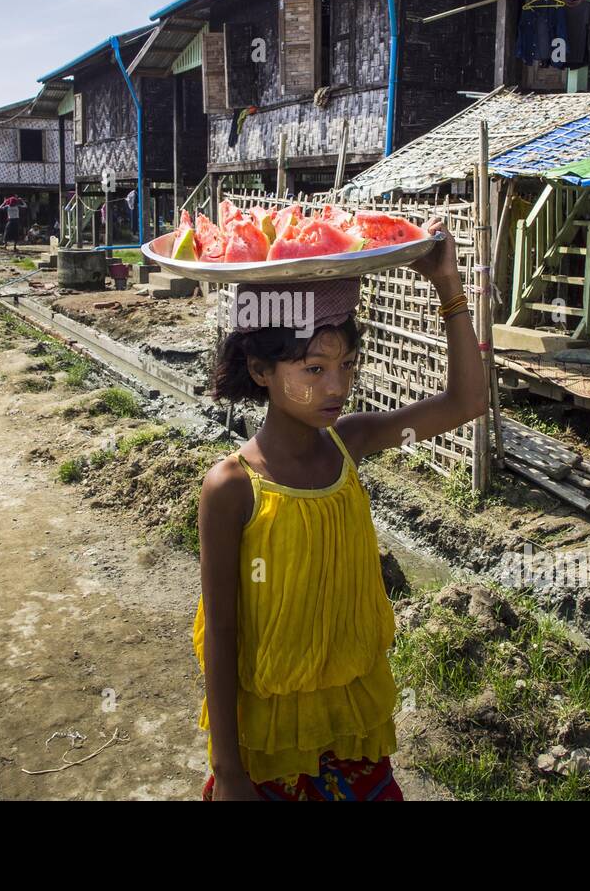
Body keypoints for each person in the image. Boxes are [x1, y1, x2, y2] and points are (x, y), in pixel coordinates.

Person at [194, 218, 485, 801]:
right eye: (314, 369)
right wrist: (228, 770)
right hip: (268, 748)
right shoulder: (231, 488)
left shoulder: (353, 444)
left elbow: (467, 401)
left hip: (351, 732)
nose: (336, 387)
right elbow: (222, 633)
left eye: (347, 365)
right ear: (261, 371)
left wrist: (449, 287)